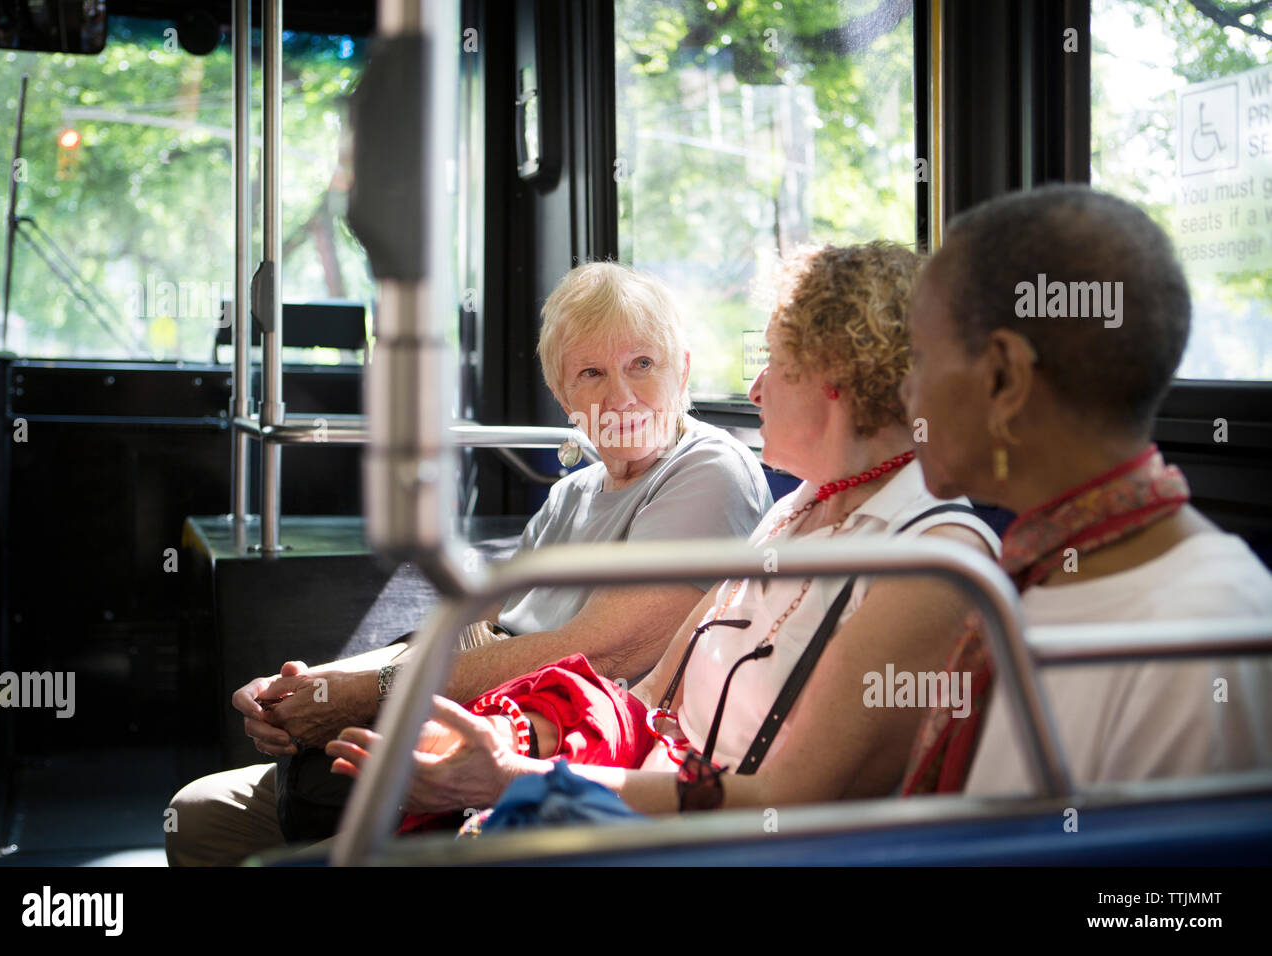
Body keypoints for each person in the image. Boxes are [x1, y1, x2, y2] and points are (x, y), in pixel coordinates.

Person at [327, 242, 1002, 821]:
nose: (756, 388)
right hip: (633, 804)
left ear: (838, 381)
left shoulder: (930, 562)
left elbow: (784, 803)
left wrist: (514, 779)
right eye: (590, 375)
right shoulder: (796, 511)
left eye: (774, 363)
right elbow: (649, 700)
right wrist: (517, 745)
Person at [166, 262, 773, 865]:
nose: (621, 396)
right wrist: (314, 684)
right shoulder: (573, 493)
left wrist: (368, 693)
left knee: (219, 833)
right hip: (468, 709)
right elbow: (468, 624)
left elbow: (604, 653)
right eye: (591, 373)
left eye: (642, 363)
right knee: (193, 812)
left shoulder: (708, 471)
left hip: (545, 752)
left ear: (683, 368)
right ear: (564, 397)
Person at [896, 184, 1272, 795]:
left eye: (918, 357)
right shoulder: (1037, 576)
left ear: (1003, 377)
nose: (905, 392)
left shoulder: (1201, 640)